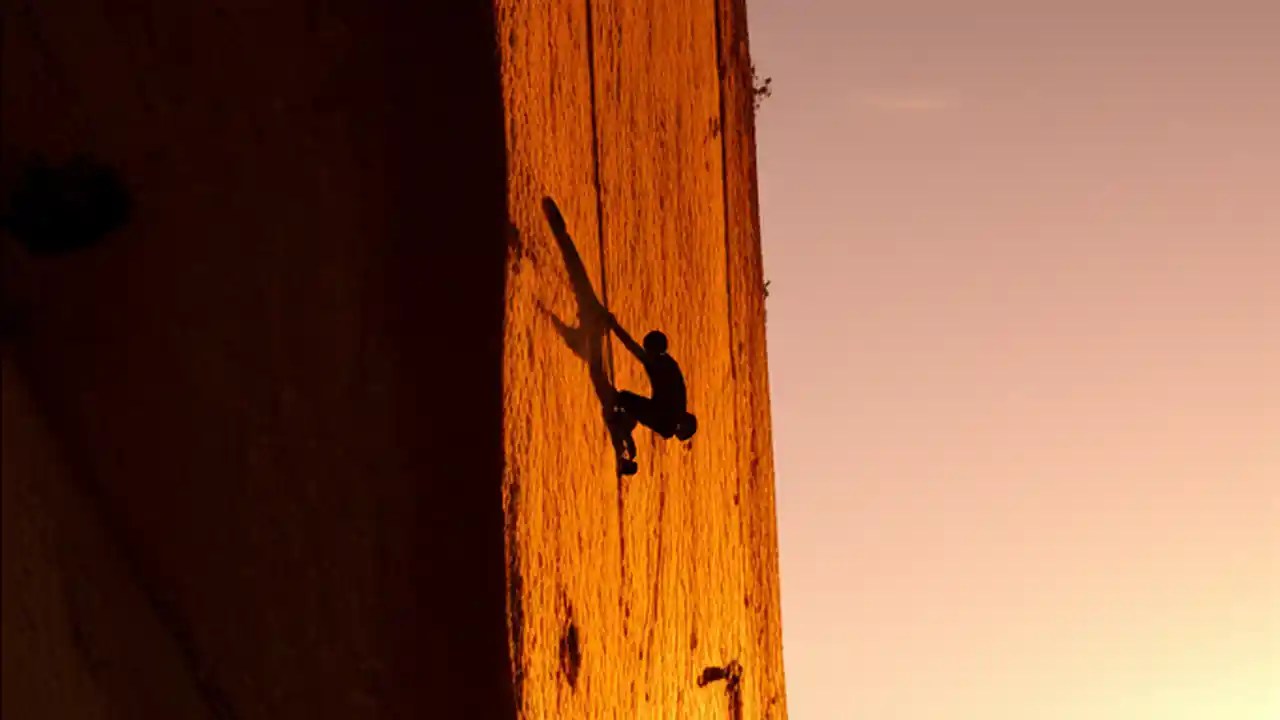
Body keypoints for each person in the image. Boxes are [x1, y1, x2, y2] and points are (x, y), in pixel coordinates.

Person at [606, 316, 698, 443]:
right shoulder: (666, 363)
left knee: (623, 399)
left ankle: (625, 420)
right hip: (660, 412)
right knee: (624, 399)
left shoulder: (658, 364)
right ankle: (626, 419)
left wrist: (615, 327)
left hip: (660, 414)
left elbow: (634, 347)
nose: (646, 352)